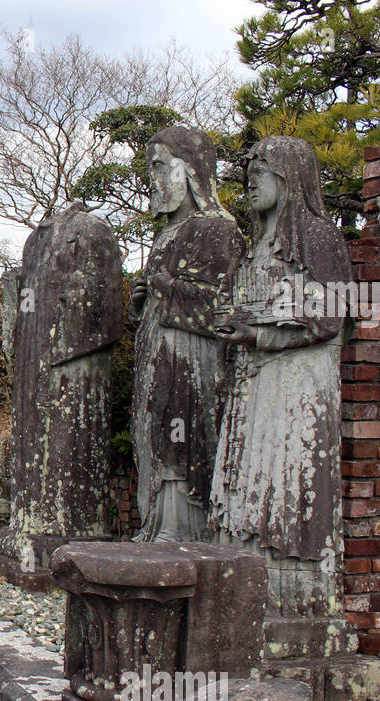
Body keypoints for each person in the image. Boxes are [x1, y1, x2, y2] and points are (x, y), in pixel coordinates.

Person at [211, 135, 352, 618]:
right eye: (247, 174)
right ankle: (245, 580)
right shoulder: (256, 247)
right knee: (249, 487)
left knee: (287, 483)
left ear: (290, 180)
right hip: (254, 382)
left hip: (297, 387)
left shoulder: (318, 237)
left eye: (261, 174)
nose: (250, 184)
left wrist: (258, 332)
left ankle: (291, 596)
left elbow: (330, 317)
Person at [130, 127, 244, 542]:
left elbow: (219, 304)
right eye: (150, 169)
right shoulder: (164, 234)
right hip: (157, 351)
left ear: (191, 169)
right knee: (153, 431)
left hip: (193, 356)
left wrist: (165, 287)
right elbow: (158, 297)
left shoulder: (217, 229)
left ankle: (184, 528)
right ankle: (155, 522)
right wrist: (141, 300)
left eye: (159, 165)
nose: (153, 178)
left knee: (181, 430)